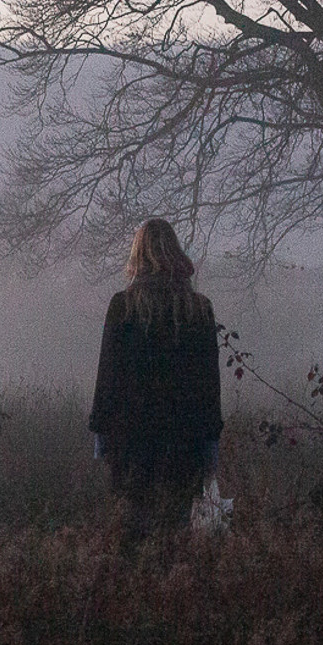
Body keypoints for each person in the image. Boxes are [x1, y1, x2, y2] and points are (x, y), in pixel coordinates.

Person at [88, 218, 223, 538]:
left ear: (138, 256)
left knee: (133, 534)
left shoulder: (123, 306)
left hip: (131, 442)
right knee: (175, 531)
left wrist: (101, 432)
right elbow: (209, 383)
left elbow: (109, 375)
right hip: (184, 443)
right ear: (176, 254)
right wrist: (211, 440)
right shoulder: (199, 308)